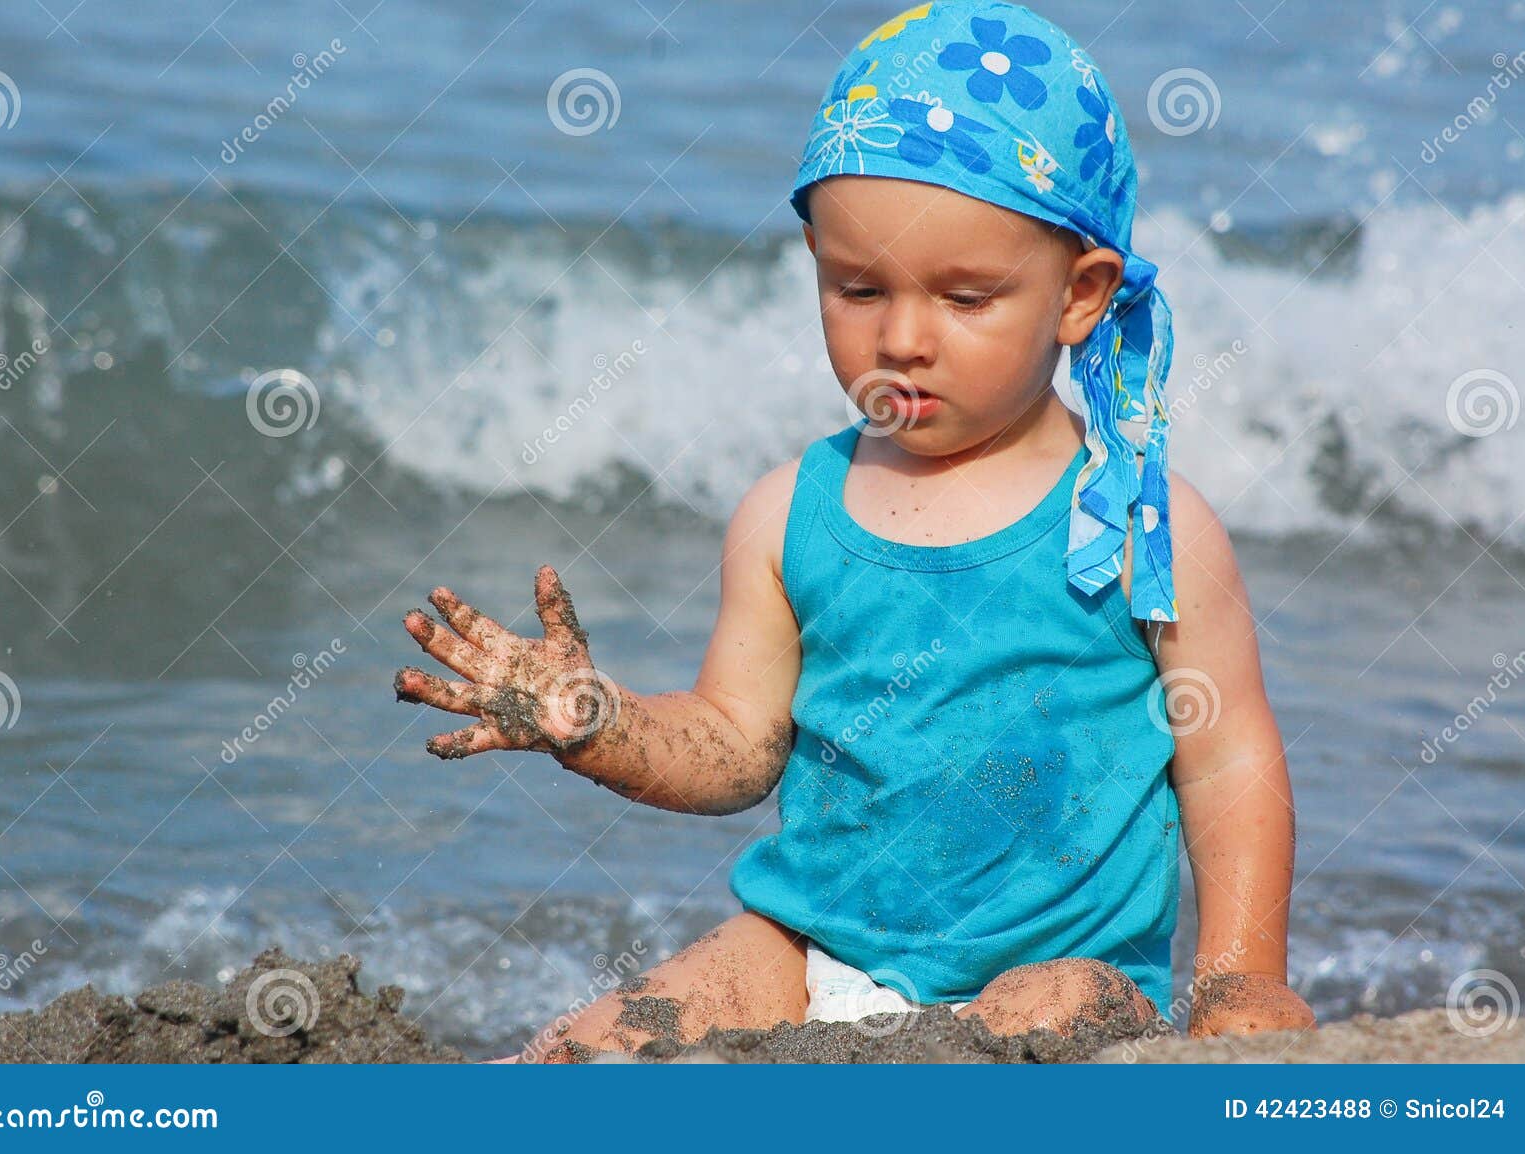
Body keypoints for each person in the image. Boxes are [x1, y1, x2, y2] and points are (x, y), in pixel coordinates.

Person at [395, 0, 1316, 1062]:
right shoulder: (788, 512)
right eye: (859, 287)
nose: (903, 338)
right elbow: (735, 747)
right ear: (815, 260)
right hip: (809, 950)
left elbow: (1226, 758)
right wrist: (595, 722)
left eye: (965, 298)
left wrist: (1242, 974)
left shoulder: (1142, 525)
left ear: (1081, 294)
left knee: (1045, 1015)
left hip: (1064, 967)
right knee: (587, 1045)